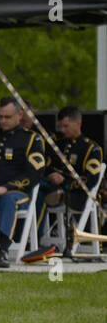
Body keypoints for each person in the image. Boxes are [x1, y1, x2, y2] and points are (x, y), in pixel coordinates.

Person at [0, 97, 45, 267]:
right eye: (0, 117)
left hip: (17, 194)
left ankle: (3, 250)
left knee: (9, 200)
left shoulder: (31, 139)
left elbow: (34, 174)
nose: (3, 121)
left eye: (8, 117)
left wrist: (4, 188)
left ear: (19, 115)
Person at [36, 105, 99, 258]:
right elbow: (47, 164)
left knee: (40, 194)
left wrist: (66, 181)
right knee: (37, 190)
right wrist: (51, 175)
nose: (62, 130)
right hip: (52, 188)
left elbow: (91, 179)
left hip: (76, 194)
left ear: (78, 123)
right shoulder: (58, 143)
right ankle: (33, 240)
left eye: (66, 126)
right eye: (60, 126)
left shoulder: (91, 148)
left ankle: (34, 239)